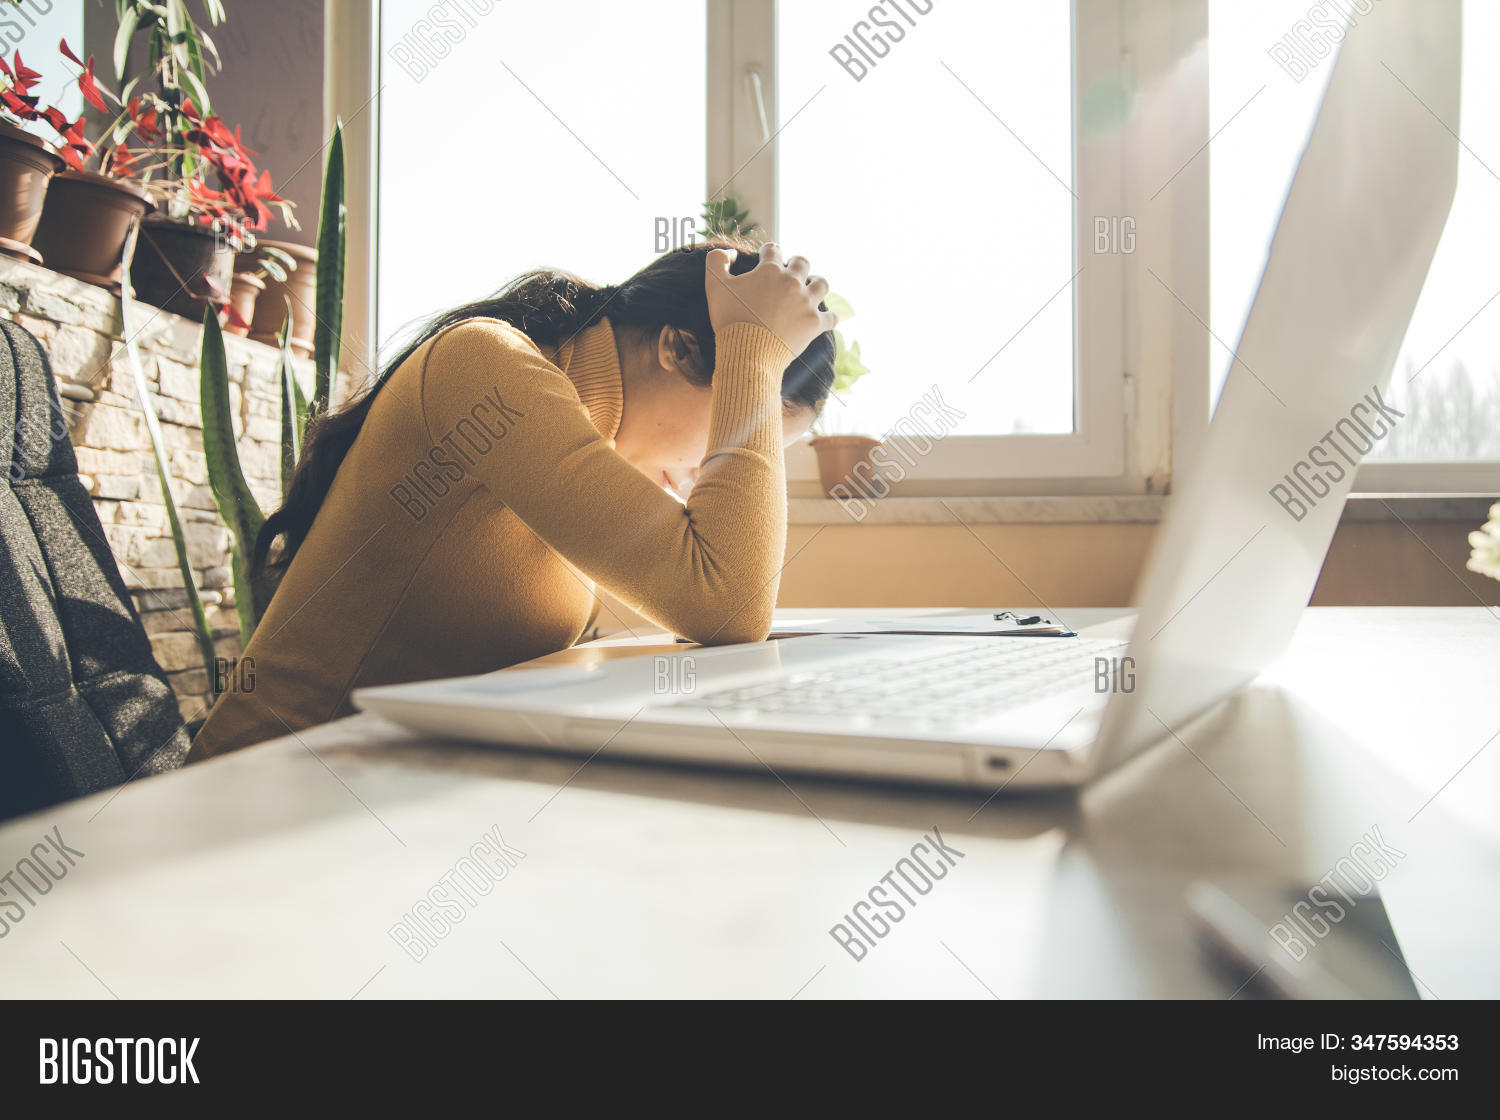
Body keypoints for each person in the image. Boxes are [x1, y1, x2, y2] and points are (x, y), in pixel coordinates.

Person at [188, 239, 838, 759]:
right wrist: (755, 349)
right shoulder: (485, 366)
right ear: (677, 347)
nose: (710, 475)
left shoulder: (580, 441)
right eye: (733, 416)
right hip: (265, 797)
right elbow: (728, 607)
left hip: (377, 793)